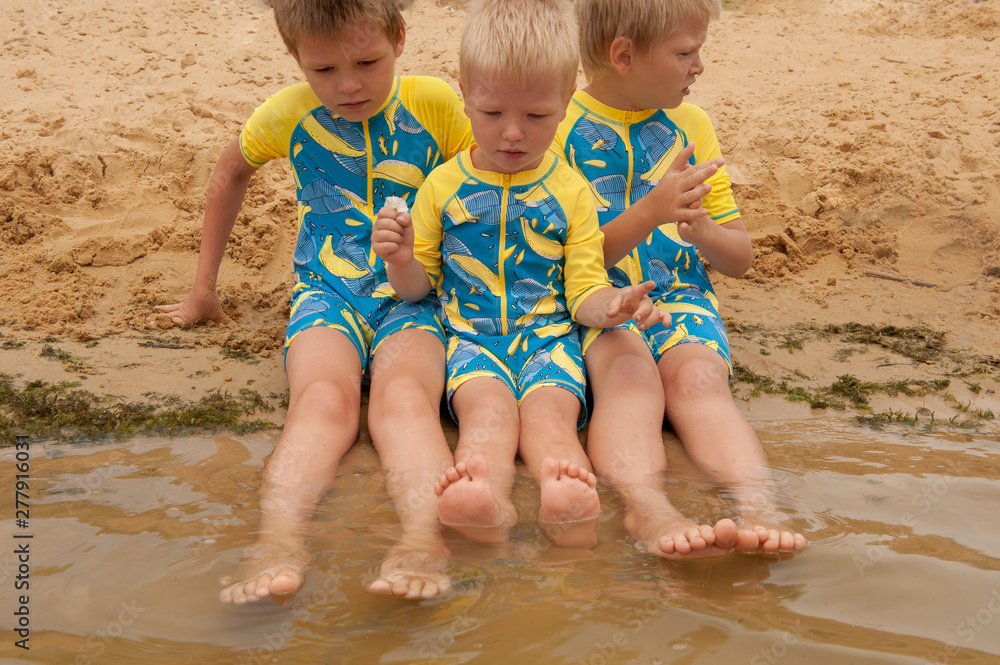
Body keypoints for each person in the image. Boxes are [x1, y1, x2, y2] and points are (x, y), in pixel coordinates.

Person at [154, 0, 475, 602]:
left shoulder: (438, 106)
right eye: (323, 71)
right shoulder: (289, 114)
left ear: (399, 38)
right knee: (321, 401)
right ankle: (276, 543)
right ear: (296, 58)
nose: (348, 85)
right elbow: (229, 175)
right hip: (326, 294)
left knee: (405, 401)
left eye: (367, 62)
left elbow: (494, 185)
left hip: (419, 296)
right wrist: (203, 289)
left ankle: (422, 541)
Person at [372, 0, 667, 549]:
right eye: (491, 114)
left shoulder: (571, 192)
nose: (512, 134)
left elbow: (583, 290)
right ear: (465, 93)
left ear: (564, 101)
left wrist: (614, 307)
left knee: (551, 418)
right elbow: (419, 291)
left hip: (549, 339)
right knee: (486, 414)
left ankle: (568, 503)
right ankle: (486, 502)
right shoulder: (440, 187)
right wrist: (401, 259)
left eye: (536, 117)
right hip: (472, 342)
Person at [554, 0, 808, 555]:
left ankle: (759, 504)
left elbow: (739, 259)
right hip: (603, 303)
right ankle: (648, 509)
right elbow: (561, 261)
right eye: (686, 53)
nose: (700, 67)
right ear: (623, 55)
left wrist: (702, 231)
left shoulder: (690, 126)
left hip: (682, 296)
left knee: (697, 382)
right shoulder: (556, 128)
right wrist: (651, 210)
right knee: (630, 384)